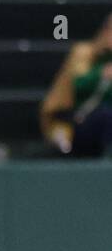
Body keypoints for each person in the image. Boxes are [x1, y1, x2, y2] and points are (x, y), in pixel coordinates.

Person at [39, 13, 112, 158]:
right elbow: (78, 85)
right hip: (74, 123)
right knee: (106, 116)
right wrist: (101, 74)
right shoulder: (84, 53)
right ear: (105, 31)